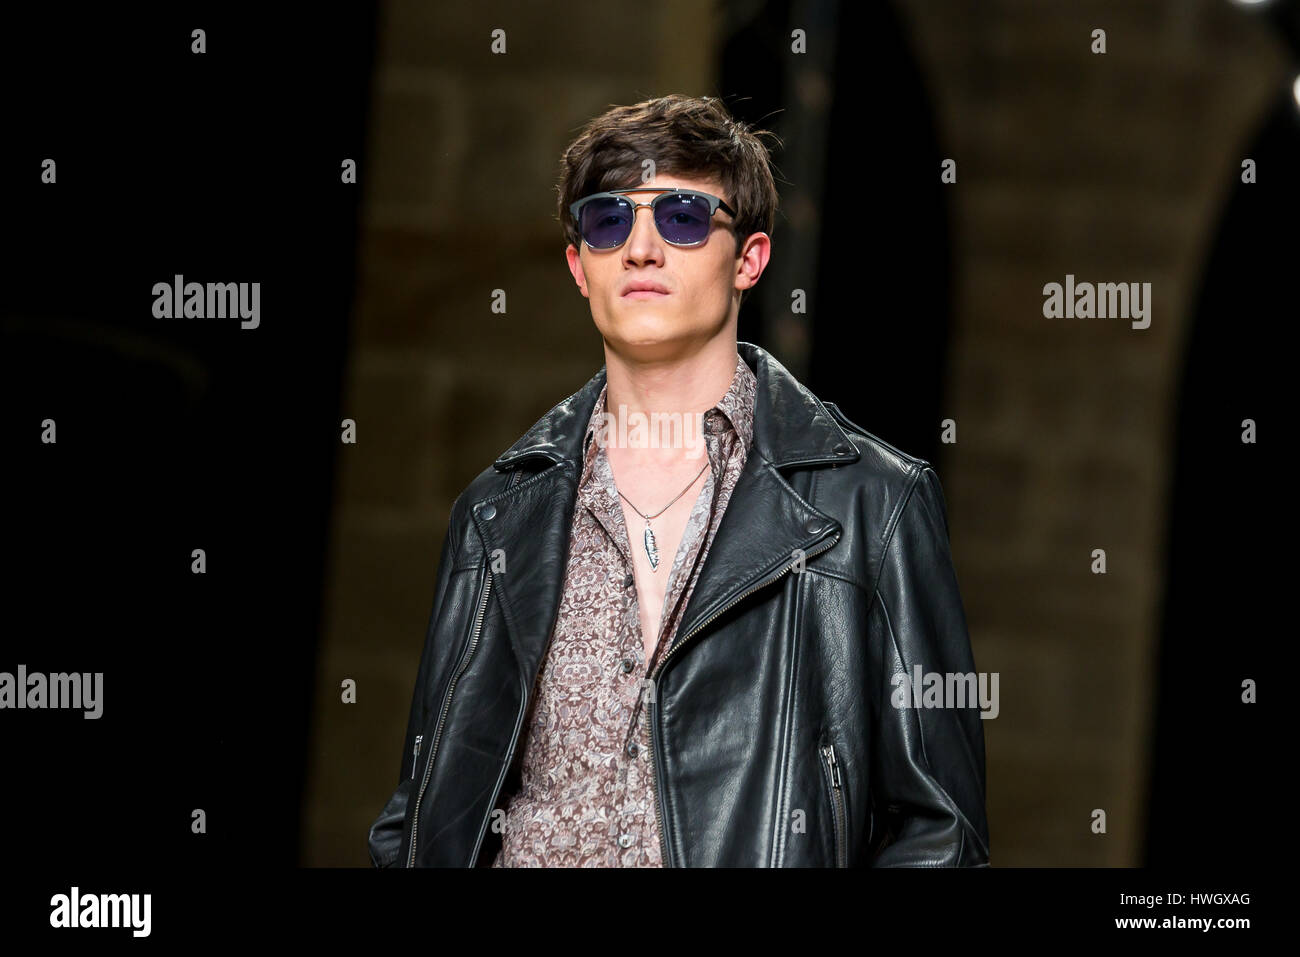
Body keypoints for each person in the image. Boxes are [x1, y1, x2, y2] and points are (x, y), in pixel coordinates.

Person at [368, 94, 989, 867]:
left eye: (684, 217)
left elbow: (940, 834)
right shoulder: (496, 514)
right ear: (578, 267)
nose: (641, 247)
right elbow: (423, 811)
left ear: (750, 258)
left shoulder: (871, 504)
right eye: (608, 221)